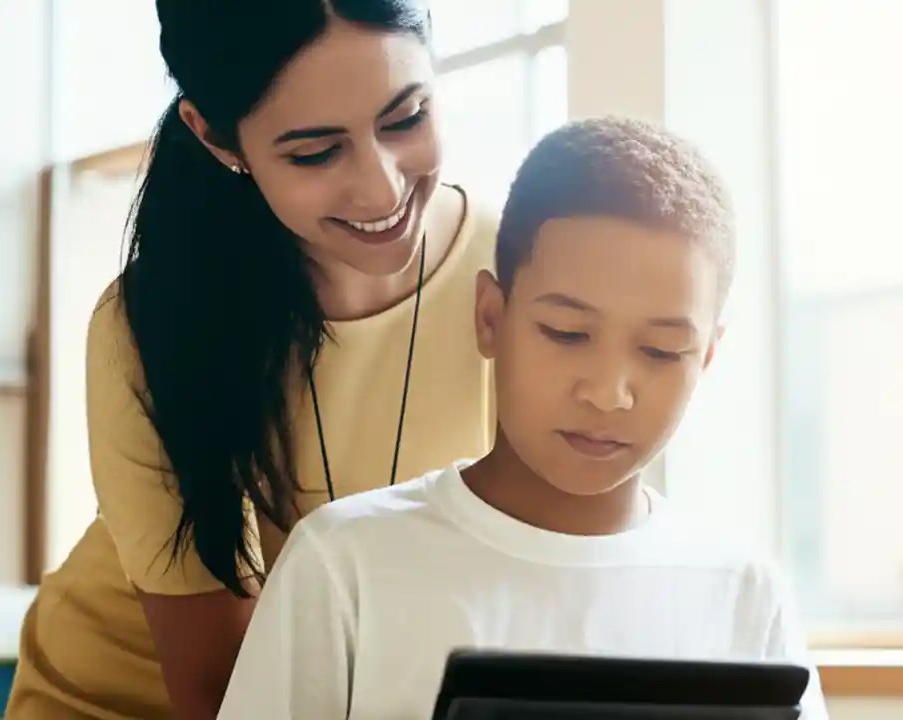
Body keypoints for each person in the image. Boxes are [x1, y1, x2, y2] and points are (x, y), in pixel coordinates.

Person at [217, 117, 829, 719]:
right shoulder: (345, 566)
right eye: (566, 333)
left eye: (662, 351)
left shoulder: (743, 590)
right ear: (490, 318)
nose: (608, 392)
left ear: (708, 358)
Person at [6, 2, 499, 718]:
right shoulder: (154, 320)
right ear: (215, 137)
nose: (383, 188)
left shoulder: (523, 274)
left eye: (406, 118)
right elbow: (220, 690)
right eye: (314, 152)